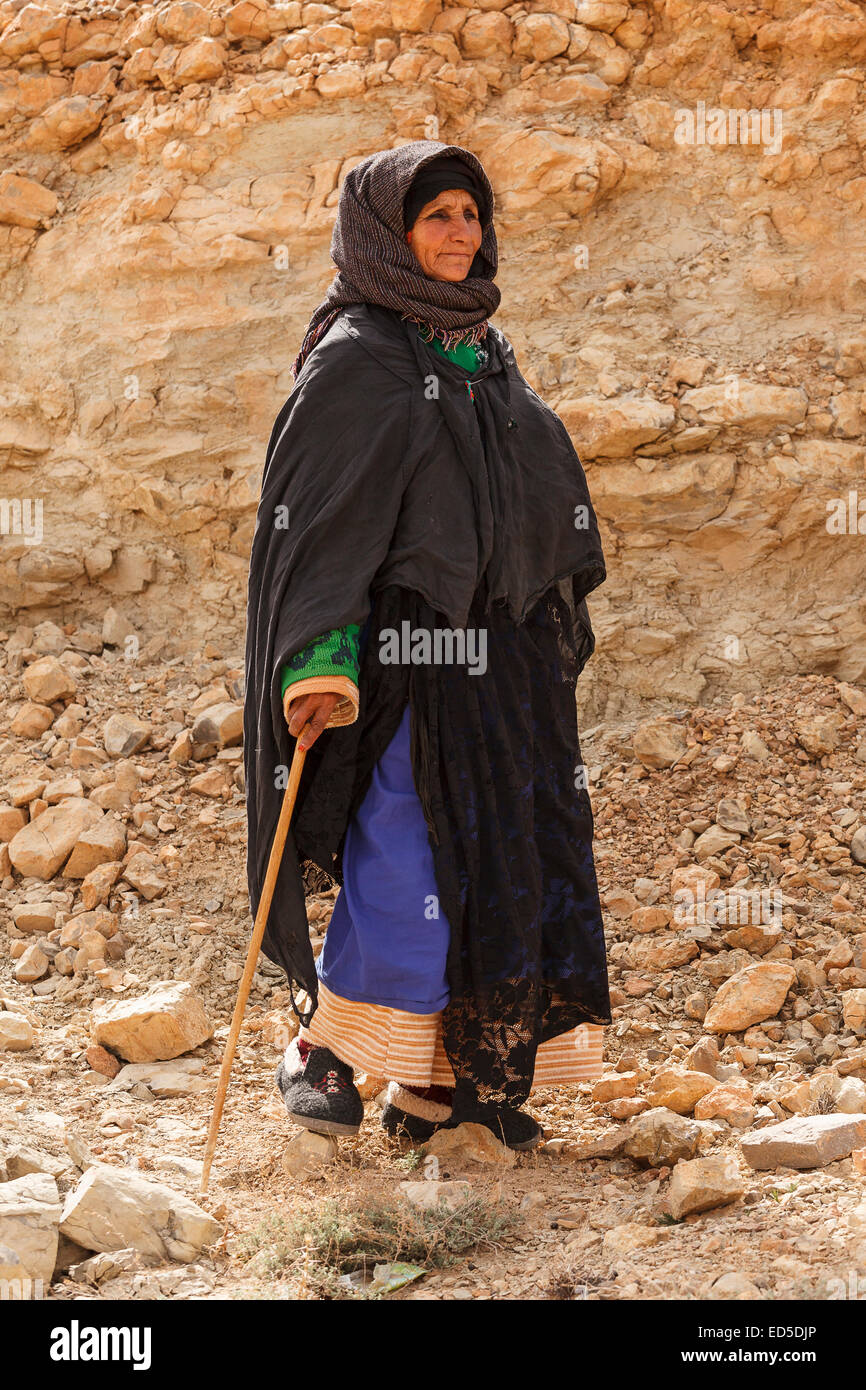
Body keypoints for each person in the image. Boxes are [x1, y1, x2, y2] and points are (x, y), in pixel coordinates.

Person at [243, 140, 612, 1152]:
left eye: (469, 213)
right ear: (384, 231)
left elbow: (530, 497)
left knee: (501, 858)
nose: (461, 233)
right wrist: (318, 656)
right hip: (408, 666)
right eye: (436, 215)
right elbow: (321, 528)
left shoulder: (480, 351)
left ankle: (438, 1086)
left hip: (500, 667)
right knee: (405, 850)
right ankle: (325, 1048)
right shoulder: (355, 356)